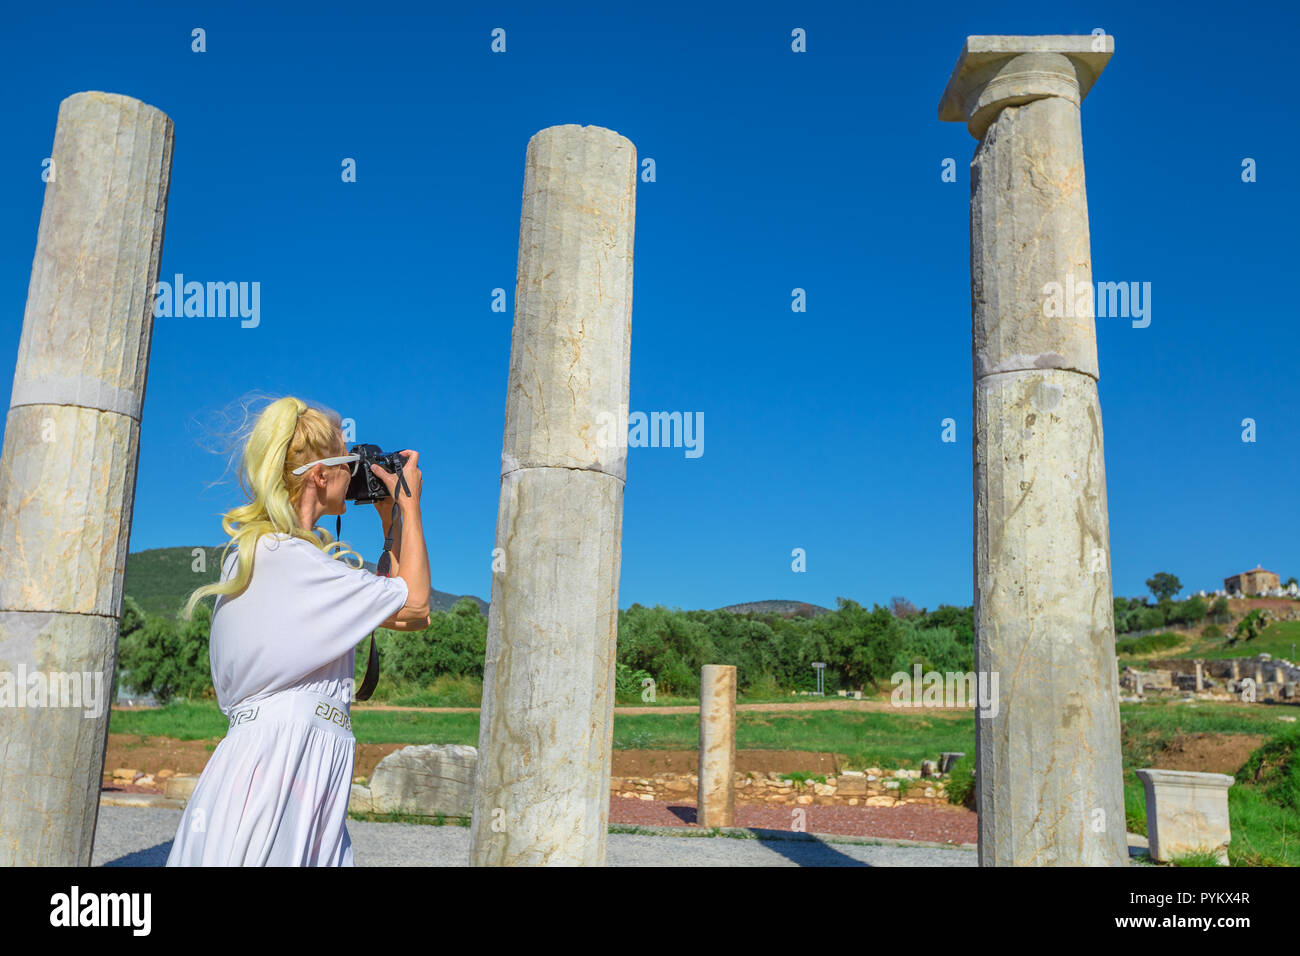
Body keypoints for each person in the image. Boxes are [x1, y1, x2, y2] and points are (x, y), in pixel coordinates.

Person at [165, 396, 430, 866]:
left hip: (285, 762)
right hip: (277, 766)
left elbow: (399, 606)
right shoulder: (287, 558)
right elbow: (416, 607)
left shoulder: (266, 555)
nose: (355, 473)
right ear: (320, 475)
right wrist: (409, 506)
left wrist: (391, 517)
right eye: (348, 461)